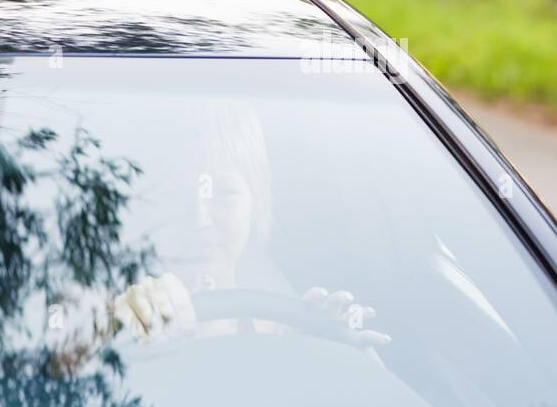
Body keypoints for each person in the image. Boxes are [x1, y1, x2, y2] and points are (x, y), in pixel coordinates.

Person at [51, 100, 389, 370]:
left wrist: (339, 352)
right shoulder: (90, 303)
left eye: (224, 194)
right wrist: (111, 331)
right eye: (174, 195)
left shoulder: (284, 319)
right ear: (142, 208)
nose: (200, 221)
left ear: (256, 203)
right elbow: (50, 380)